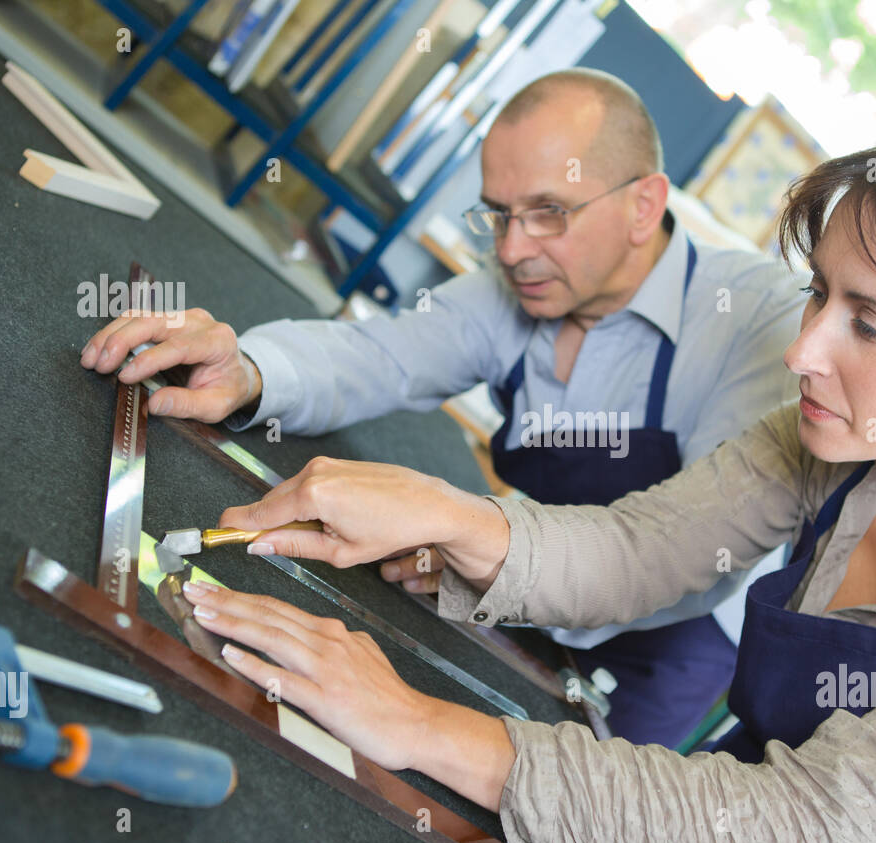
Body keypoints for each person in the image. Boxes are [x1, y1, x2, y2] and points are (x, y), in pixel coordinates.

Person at [113, 114, 876, 843]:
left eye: (867, 322)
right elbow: (641, 552)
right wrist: (448, 513)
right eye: (820, 296)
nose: (804, 348)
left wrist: (412, 719)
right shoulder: (842, 431)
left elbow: (804, 831)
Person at [81, 68, 804, 749]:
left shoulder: (751, 320)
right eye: (497, 214)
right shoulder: (521, 279)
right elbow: (383, 357)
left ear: (644, 205)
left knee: (551, 818)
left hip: (671, 639)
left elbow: (682, 559)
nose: (514, 249)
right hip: (516, 563)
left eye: (549, 213)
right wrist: (251, 370)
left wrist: (474, 549)